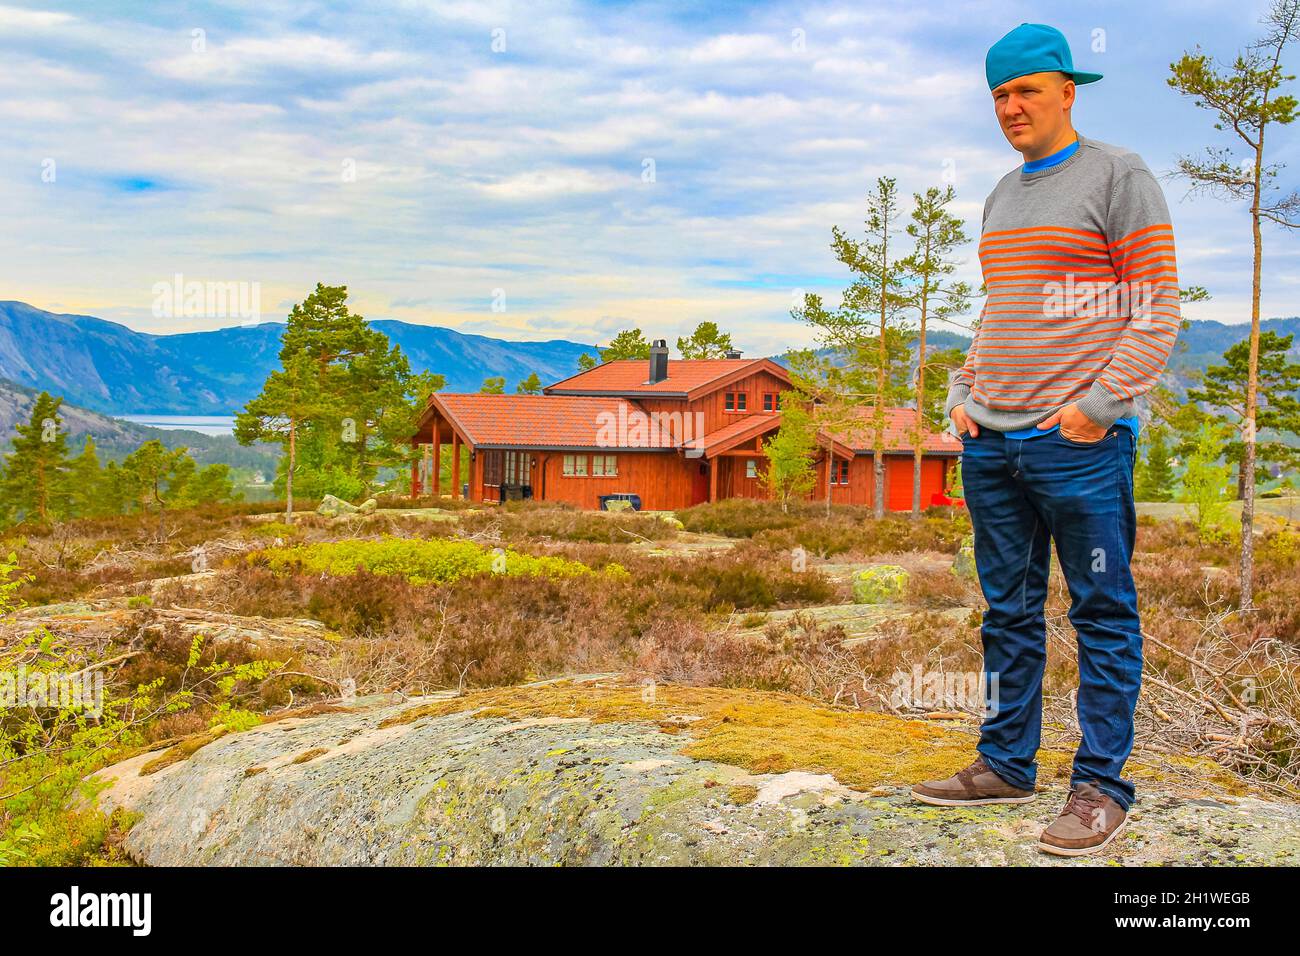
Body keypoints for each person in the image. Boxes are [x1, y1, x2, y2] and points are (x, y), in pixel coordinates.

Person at [910, 23, 1182, 857]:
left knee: (1101, 611)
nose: (1010, 107)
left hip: (1080, 445)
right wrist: (962, 389)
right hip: (993, 446)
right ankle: (1006, 764)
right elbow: (1001, 306)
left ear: (1068, 90)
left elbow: (1158, 302)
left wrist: (1101, 404)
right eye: (998, 94)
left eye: (1026, 90)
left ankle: (1101, 788)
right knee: (1009, 612)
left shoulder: (1119, 174)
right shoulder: (1001, 192)